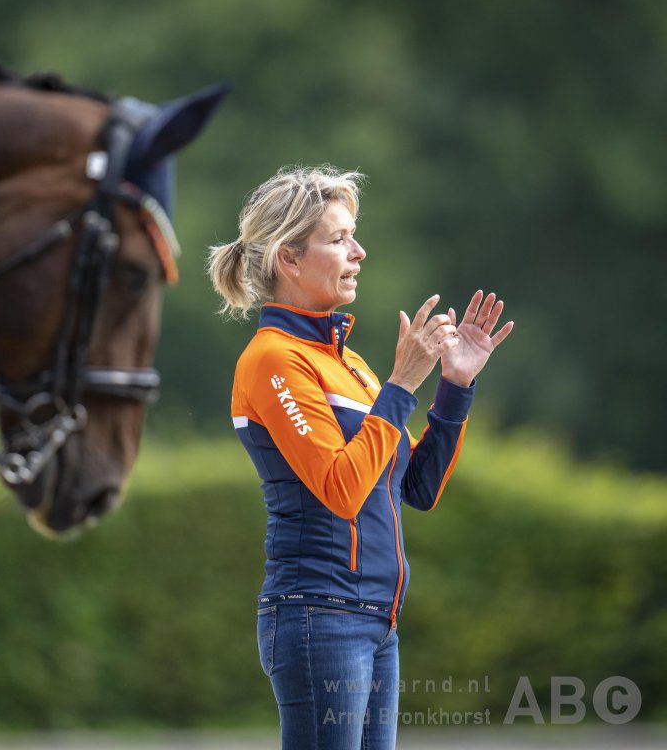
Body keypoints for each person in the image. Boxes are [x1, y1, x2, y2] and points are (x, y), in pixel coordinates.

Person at [207, 166, 513, 750]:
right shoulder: (274, 358)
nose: (360, 251)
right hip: (319, 615)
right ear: (289, 259)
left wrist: (454, 384)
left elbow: (418, 488)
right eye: (339, 238)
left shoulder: (352, 364)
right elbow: (341, 489)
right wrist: (400, 384)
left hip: (375, 619)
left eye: (355, 235)